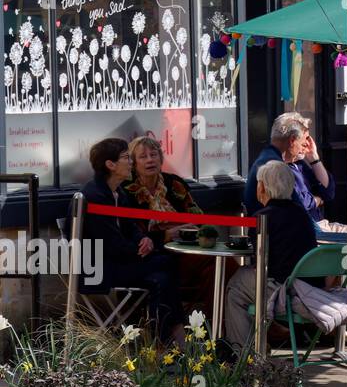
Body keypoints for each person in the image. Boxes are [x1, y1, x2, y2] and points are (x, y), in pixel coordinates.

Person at [78, 137, 183, 344]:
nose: (131, 162)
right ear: (110, 164)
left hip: (119, 262)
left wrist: (144, 239)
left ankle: (161, 342)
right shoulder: (94, 196)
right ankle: (173, 338)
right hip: (99, 270)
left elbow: (130, 226)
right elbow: (112, 245)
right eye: (126, 157)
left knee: (162, 278)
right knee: (166, 262)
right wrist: (145, 248)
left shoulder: (117, 191)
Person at [224, 160, 323, 352]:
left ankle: (243, 354)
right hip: (309, 289)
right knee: (247, 281)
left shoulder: (263, 217)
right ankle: (259, 343)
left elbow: (260, 261)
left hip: (285, 291)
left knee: (236, 286)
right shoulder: (302, 215)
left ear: (262, 187)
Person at [119, 136, 218, 320]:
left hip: (185, 250)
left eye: (154, 154)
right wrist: (166, 234)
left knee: (218, 266)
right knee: (214, 266)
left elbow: (198, 218)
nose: (150, 160)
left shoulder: (174, 183)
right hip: (153, 257)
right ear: (133, 163)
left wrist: (196, 230)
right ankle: (213, 325)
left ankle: (217, 323)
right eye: (143, 156)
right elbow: (130, 234)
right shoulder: (125, 191)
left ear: (161, 158)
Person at [243, 112, 335, 222]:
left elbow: (328, 192)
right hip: (294, 229)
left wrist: (314, 158)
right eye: (305, 140)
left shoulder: (296, 163)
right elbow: (298, 203)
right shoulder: (271, 165)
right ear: (292, 141)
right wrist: (317, 200)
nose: (307, 144)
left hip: (311, 224)